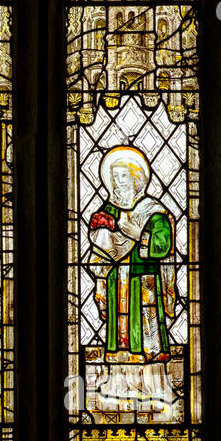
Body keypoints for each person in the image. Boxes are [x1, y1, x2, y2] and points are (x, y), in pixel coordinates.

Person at [89, 146, 175, 364]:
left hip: (143, 276)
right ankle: (119, 352)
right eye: (115, 176)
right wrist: (101, 231)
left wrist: (138, 234)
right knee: (119, 318)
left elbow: (163, 244)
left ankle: (150, 353)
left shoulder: (152, 209)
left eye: (124, 175)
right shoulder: (110, 209)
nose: (120, 181)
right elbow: (101, 248)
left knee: (146, 317)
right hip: (116, 277)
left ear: (136, 177)